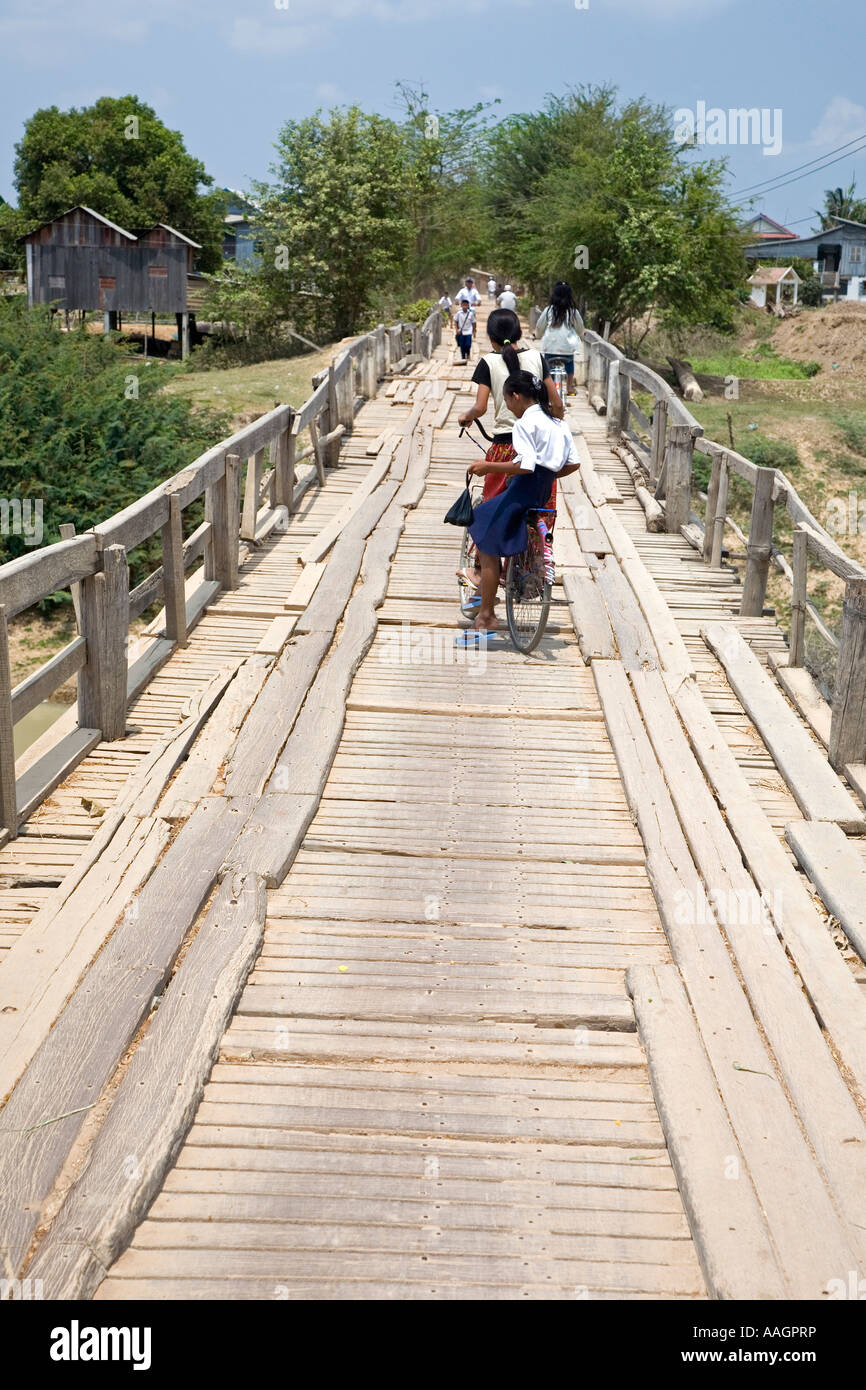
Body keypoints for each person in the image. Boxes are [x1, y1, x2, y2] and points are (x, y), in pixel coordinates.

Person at [460, 354, 580, 637]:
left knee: (482, 531)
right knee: (498, 527)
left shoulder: (525, 424)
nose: (509, 408)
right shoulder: (559, 424)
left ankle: (487, 614)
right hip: (542, 493)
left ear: (515, 396)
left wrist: (486, 466)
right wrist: (548, 475)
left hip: (522, 492)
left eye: (508, 401)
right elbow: (573, 464)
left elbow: (524, 465)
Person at [455, 308, 562, 589]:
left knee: (489, 513)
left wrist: (466, 417)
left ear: (491, 338)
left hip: (505, 449)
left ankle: (482, 572)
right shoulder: (538, 358)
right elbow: (558, 407)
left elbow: (479, 408)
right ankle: (531, 568)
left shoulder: (488, 363)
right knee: (538, 509)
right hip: (539, 452)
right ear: (519, 333)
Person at [534, 280, 585, 396]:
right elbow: (580, 328)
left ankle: (548, 389)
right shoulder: (573, 312)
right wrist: (581, 335)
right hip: (567, 349)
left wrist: (537, 335)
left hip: (550, 347)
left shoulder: (549, 310)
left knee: (547, 368)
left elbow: (539, 326)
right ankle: (570, 387)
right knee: (570, 364)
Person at [454, 296, 476, 362]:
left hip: (469, 331)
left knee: (468, 344)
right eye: (463, 305)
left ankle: (468, 354)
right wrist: (457, 329)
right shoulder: (458, 313)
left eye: (466, 305)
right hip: (461, 332)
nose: (464, 306)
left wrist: (474, 331)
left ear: (468, 306)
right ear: (461, 305)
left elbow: (474, 322)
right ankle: (463, 357)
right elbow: (455, 321)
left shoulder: (471, 314)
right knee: (462, 345)